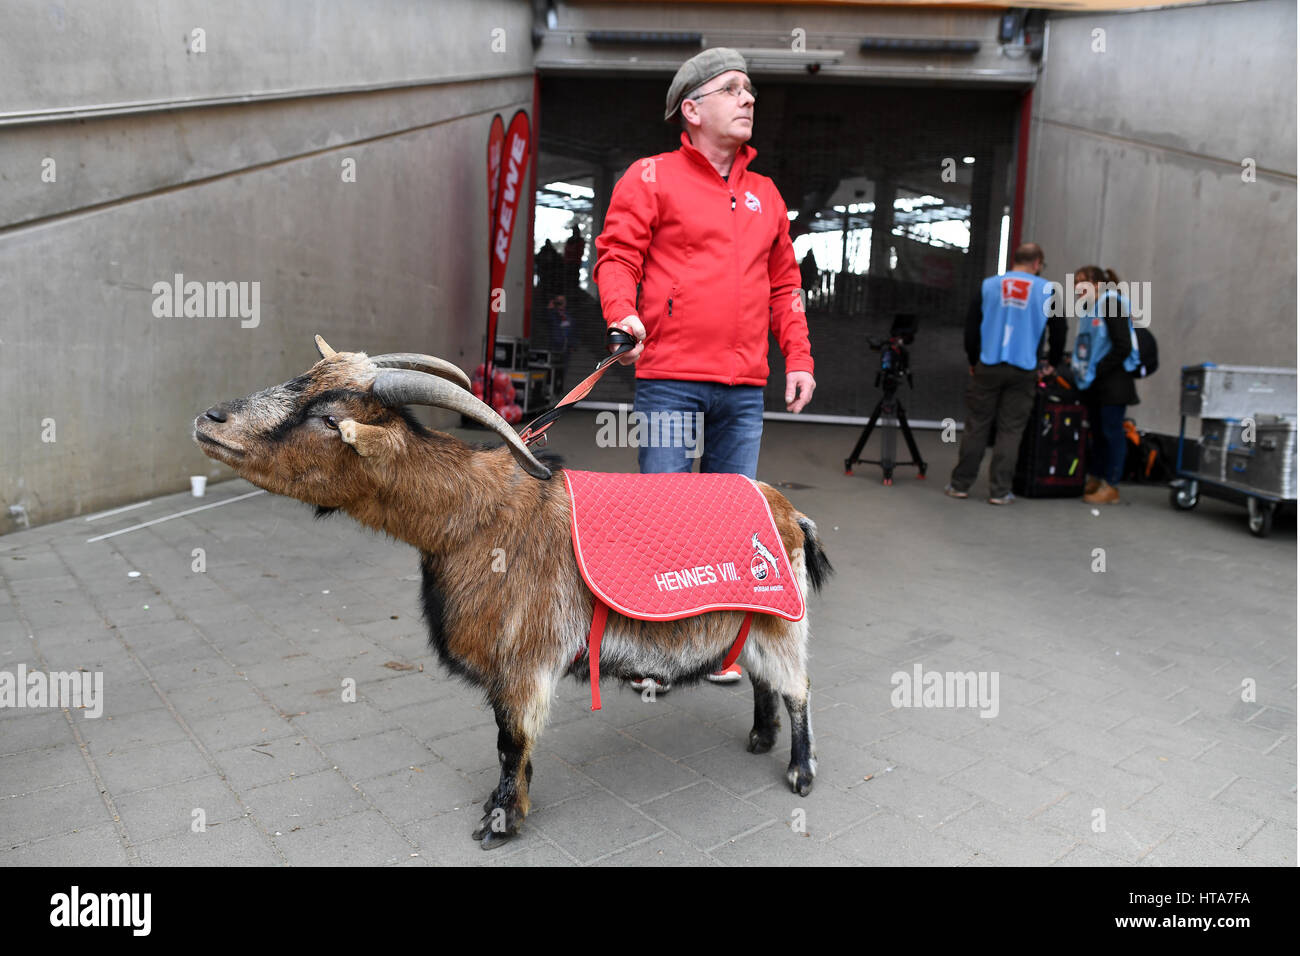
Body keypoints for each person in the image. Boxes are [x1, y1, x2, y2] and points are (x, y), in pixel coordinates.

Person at [593, 47, 816, 690]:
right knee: (664, 520)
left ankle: (714, 648)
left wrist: (796, 356)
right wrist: (623, 315)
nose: (748, 99)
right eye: (732, 89)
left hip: (744, 389)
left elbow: (785, 286)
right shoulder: (650, 177)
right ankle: (652, 654)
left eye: (751, 89)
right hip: (669, 380)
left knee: (727, 526)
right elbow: (618, 257)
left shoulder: (766, 195)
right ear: (691, 110)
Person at [945, 242, 1065, 504]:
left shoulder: (988, 286)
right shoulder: (1047, 290)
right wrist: (1052, 362)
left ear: (1016, 260)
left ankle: (960, 484)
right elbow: (1059, 330)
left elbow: (971, 327)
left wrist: (974, 359)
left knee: (977, 425)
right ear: (1037, 263)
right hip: (1024, 369)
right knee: (1010, 430)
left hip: (988, 365)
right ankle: (999, 491)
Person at [1071, 265, 1139, 505]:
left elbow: (1123, 346)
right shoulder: (1090, 310)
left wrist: (1097, 370)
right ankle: (1096, 477)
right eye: (1075, 282)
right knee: (1098, 433)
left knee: (1112, 434)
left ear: (1098, 284)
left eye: (1082, 282)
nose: (1077, 287)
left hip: (1113, 383)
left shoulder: (1111, 303)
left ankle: (1112, 485)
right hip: (1095, 384)